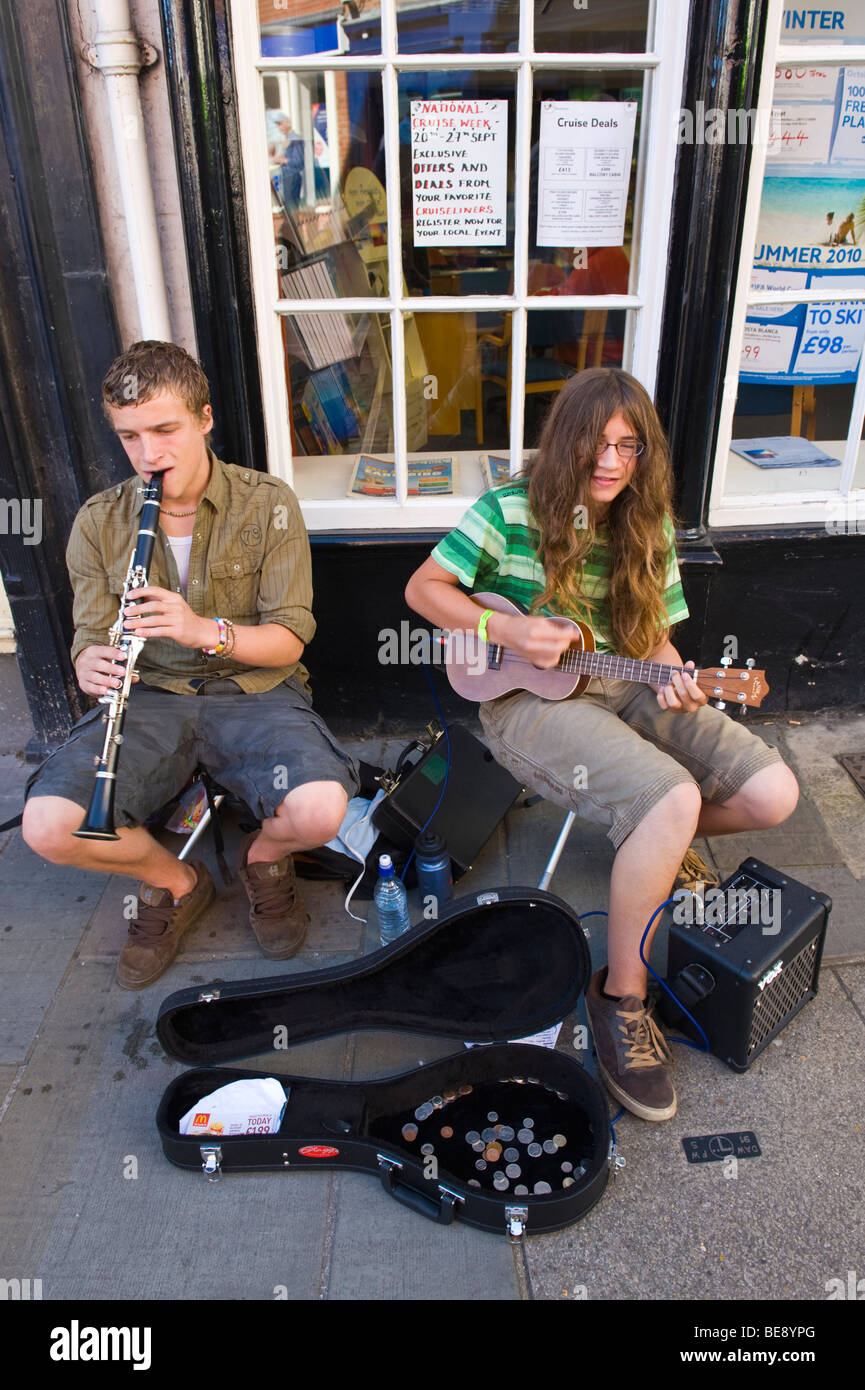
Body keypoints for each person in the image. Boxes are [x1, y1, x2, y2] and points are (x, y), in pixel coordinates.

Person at [404, 367, 799, 1122]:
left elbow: (652, 638)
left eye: (629, 446)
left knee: (771, 793)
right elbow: (424, 590)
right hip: (521, 697)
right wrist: (508, 629)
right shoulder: (507, 510)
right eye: (595, 444)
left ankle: (647, 841)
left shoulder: (645, 525)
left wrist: (677, 677)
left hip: (619, 679)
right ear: (565, 444)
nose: (611, 463)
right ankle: (620, 999)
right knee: (670, 794)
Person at [22, 341, 359, 989]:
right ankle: (174, 880)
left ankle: (264, 857)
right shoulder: (98, 522)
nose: (150, 455)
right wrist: (92, 664)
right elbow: (90, 636)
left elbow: (289, 642)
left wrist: (204, 630)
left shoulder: (268, 504)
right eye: (130, 437)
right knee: (47, 826)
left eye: (165, 430)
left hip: (253, 688)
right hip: (151, 696)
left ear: (205, 419)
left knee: (321, 810)